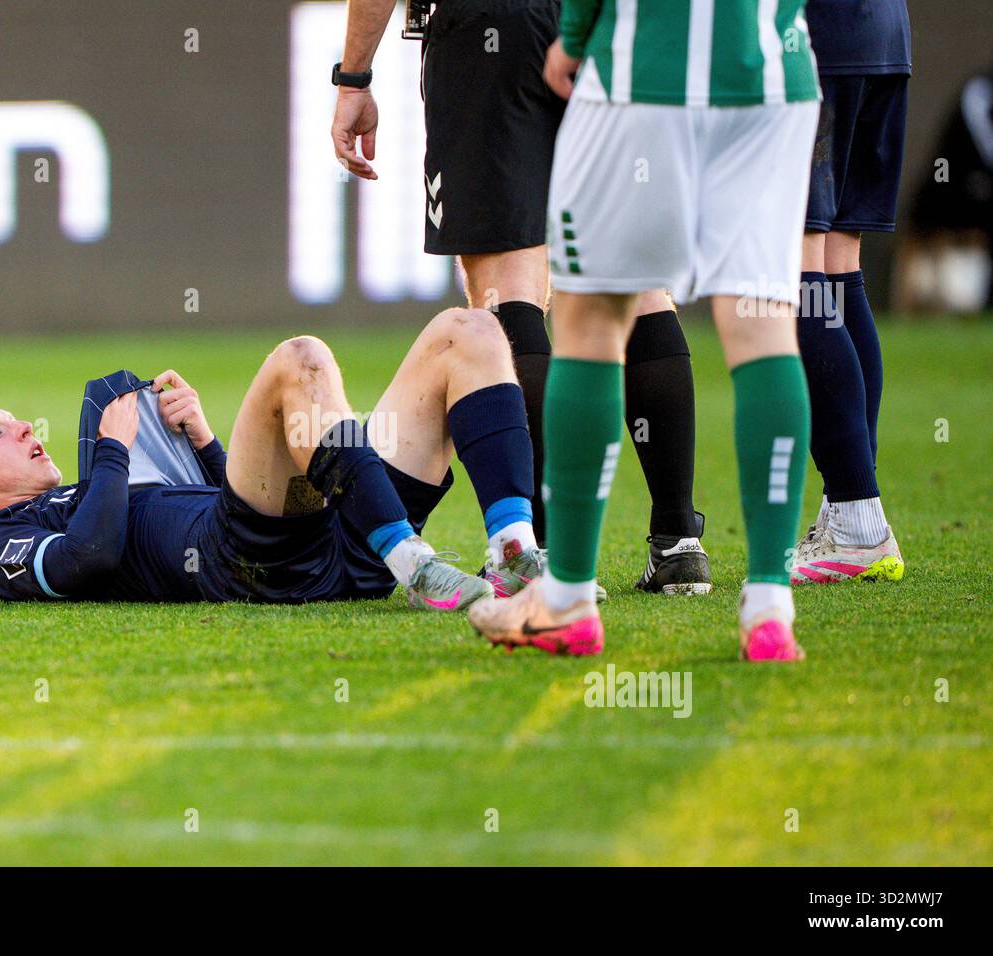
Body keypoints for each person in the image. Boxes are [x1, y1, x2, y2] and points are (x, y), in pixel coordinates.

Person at [470, 0, 821, 661]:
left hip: (641, 70)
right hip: (774, 77)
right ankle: (771, 605)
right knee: (763, 323)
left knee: (591, 317)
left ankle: (567, 596)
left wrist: (573, 38)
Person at [330, 0, 711, 595]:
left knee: (509, 291)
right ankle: (678, 541)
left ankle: (545, 551)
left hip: (492, 27)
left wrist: (353, 77)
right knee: (635, 286)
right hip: (609, 28)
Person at [0, 309, 545, 609]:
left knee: (468, 333)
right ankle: (414, 564)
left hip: (331, 530)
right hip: (263, 564)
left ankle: (512, 550)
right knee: (301, 359)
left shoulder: (92, 491)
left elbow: (230, 498)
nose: (20, 426)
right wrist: (111, 451)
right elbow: (90, 557)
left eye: (9, 418)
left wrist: (207, 443)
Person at [790, 0, 911, 585]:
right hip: (884, 35)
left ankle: (857, 517)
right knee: (838, 267)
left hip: (817, 43)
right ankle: (849, 509)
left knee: (800, 278)